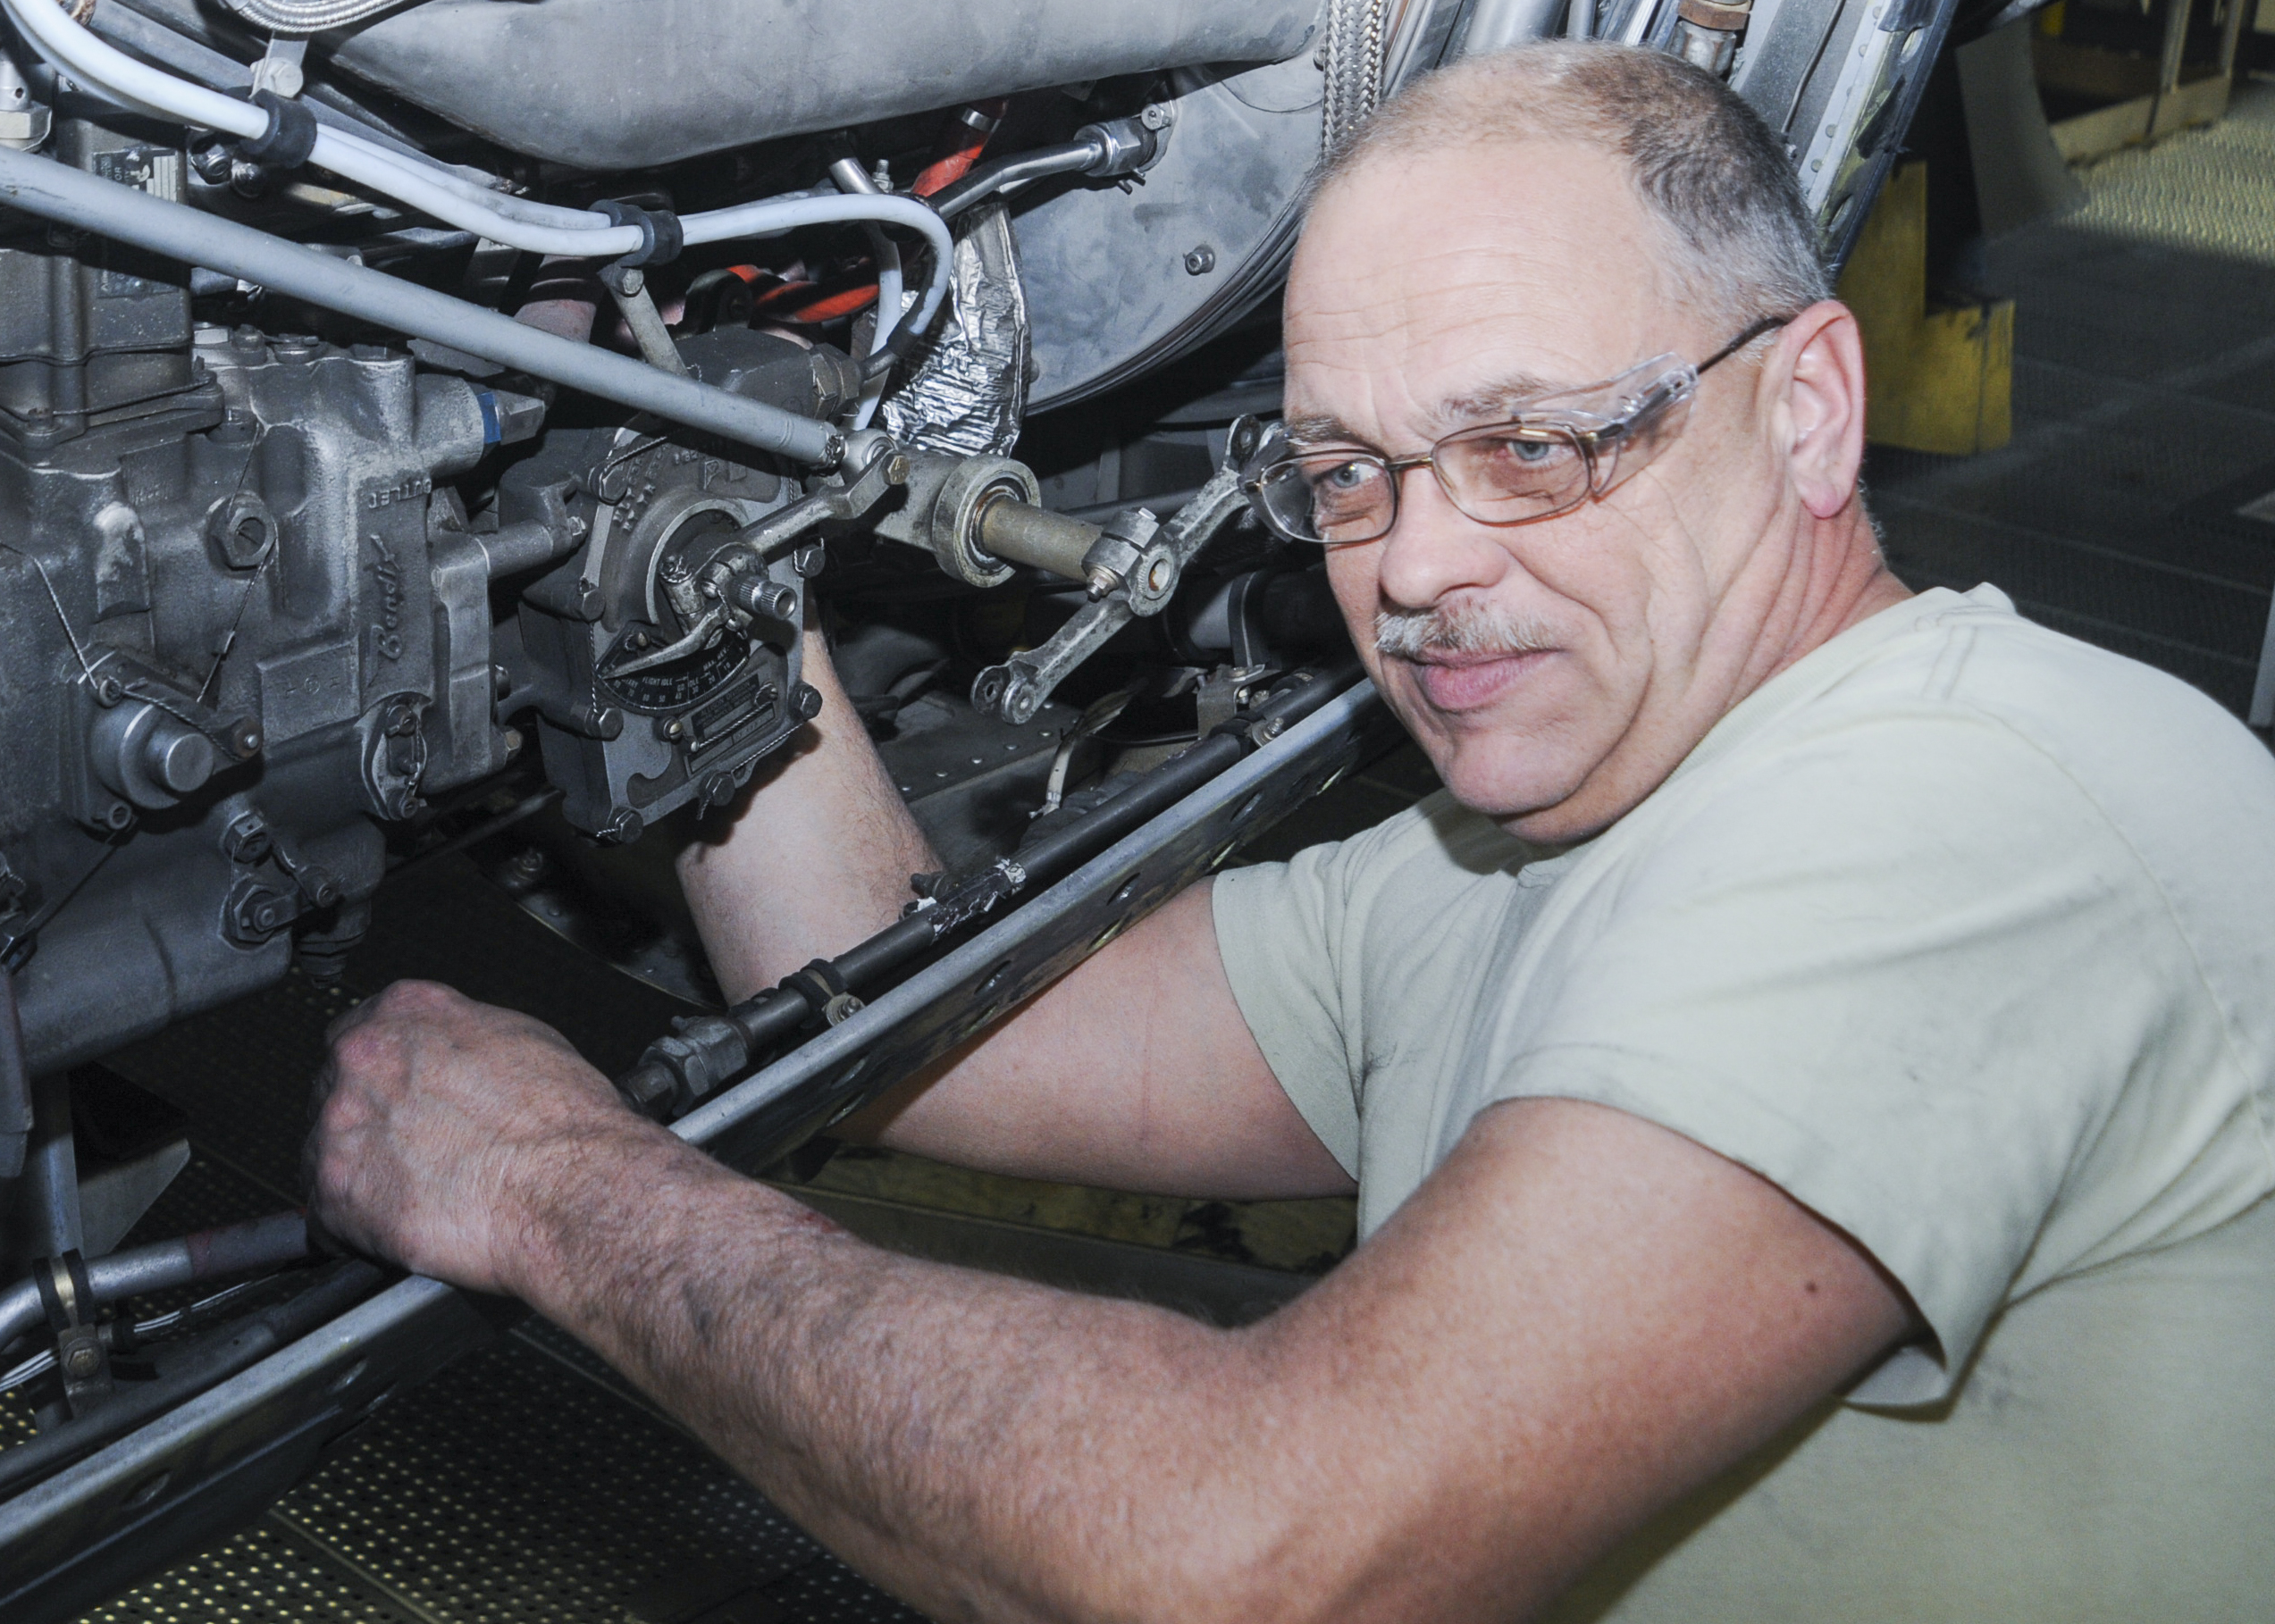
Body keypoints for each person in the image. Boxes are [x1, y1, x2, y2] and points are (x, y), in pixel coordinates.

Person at [305, 42, 2275, 1623]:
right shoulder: (1506, 857)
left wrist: (565, 1194)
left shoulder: (1966, 802)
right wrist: (708, 549)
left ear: (1811, 409)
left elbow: (1263, 1556)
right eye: (1345, 472)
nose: (1416, 562)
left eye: (1529, 445)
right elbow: (930, 1038)